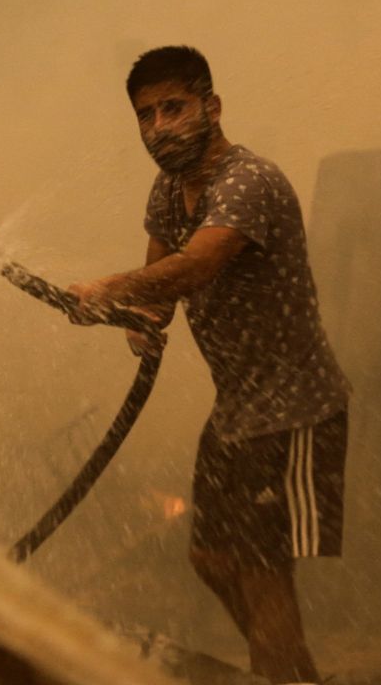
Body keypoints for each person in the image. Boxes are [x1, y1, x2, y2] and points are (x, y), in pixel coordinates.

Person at [68, 45, 351, 685]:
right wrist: (137, 321)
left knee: (262, 567)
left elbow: (195, 266)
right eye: (146, 115)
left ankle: (278, 674)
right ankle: (295, 676)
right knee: (212, 559)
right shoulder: (168, 193)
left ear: (212, 107)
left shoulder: (249, 181)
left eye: (174, 107)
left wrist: (109, 288)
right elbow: (162, 295)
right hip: (236, 414)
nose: (159, 126)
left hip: (296, 410)